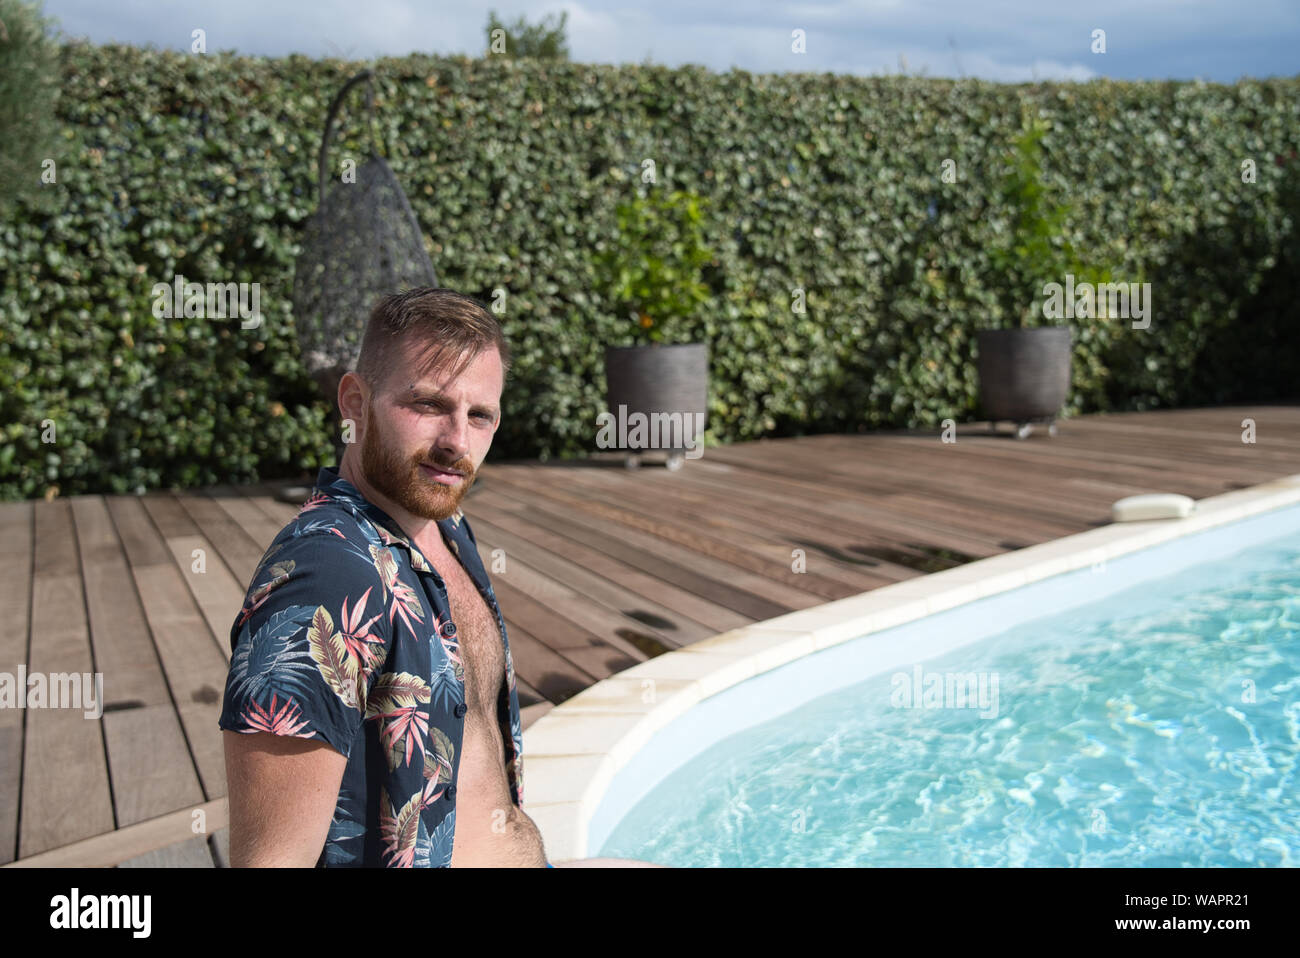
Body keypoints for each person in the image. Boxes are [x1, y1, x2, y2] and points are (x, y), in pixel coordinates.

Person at [220, 287, 661, 867]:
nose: (457, 442)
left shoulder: (445, 527)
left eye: (480, 416)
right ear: (354, 401)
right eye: (428, 405)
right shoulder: (327, 579)